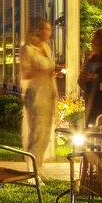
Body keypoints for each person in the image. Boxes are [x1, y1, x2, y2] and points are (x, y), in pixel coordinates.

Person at [20, 17, 61, 161]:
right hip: (36, 96)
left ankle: (39, 167)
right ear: (38, 30)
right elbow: (25, 74)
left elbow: (49, 70)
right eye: (47, 29)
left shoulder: (46, 47)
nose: (49, 33)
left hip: (49, 94)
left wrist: (55, 71)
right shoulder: (27, 49)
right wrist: (46, 71)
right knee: (36, 132)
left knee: (46, 132)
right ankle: (33, 168)